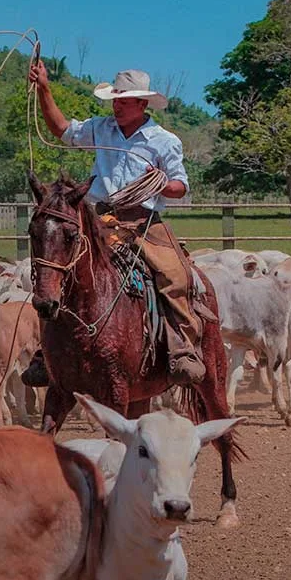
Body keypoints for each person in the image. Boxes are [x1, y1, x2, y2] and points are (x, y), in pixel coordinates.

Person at [21, 60, 210, 385]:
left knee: (175, 273)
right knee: (59, 270)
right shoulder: (101, 127)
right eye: (115, 101)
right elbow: (61, 129)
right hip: (97, 220)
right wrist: (44, 88)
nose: (117, 107)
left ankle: (182, 346)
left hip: (142, 221)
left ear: (141, 103)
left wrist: (160, 183)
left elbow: (180, 186)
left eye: (123, 101)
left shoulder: (162, 140)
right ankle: (48, 352)